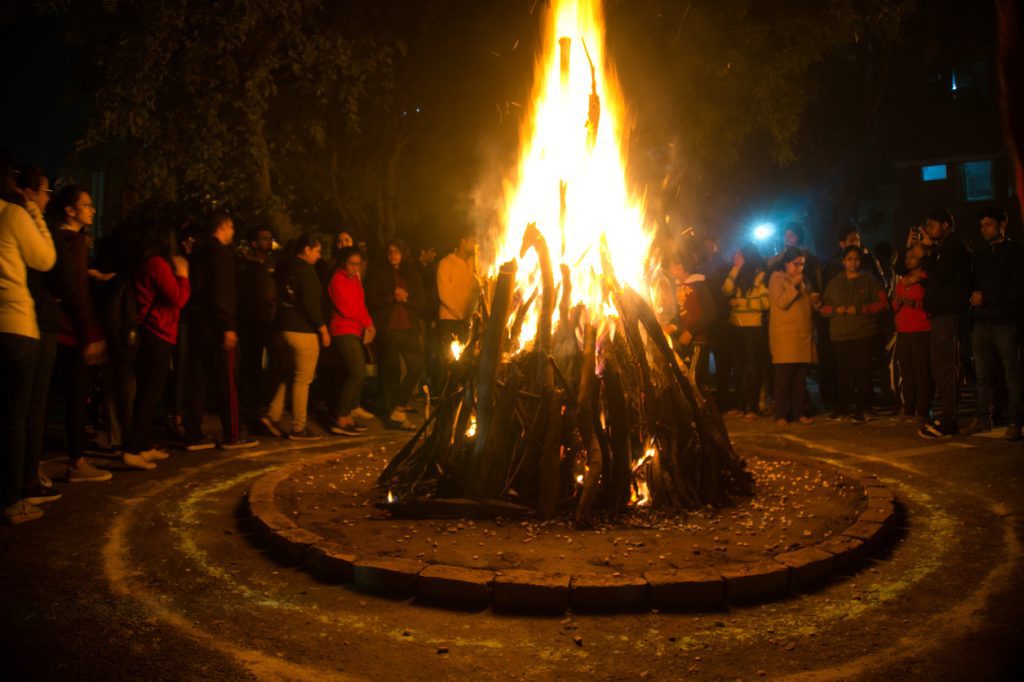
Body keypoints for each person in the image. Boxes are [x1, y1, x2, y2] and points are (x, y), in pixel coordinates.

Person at [0, 154, 57, 523]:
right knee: (14, 419)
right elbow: (45, 259)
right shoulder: (13, 214)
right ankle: (11, 500)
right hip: (17, 326)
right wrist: (34, 213)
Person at [45, 185, 111, 481]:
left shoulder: (54, 238)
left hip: (53, 327)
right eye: (86, 205)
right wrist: (92, 333)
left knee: (49, 399)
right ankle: (77, 462)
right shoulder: (74, 241)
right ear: (70, 210)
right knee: (75, 396)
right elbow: (75, 290)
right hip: (70, 331)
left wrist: (88, 274)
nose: (92, 210)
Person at [183, 211, 258, 450]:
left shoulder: (198, 252)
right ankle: (232, 433)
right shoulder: (220, 254)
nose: (233, 233)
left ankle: (193, 433)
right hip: (216, 326)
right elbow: (223, 291)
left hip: (197, 324)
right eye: (232, 228)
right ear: (223, 226)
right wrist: (228, 325)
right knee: (227, 381)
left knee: (198, 378)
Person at [121, 226, 190, 466]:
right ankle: (132, 450)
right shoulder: (157, 265)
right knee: (149, 394)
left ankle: (141, 444)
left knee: (148, 394)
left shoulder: (145, 263)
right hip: (156, 335)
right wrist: (183, 275)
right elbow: (177, 298)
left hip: (154, 334)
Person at [16, 165, 63, 507]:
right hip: (30, 322)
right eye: (46, 192)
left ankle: (20, 477)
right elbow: (47, 261)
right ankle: (24, 479)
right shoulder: (23, 219)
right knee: (28, 409)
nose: (49, 199)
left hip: (27, 319)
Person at [261, 234, 330, 440]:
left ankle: (272, 415)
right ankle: (298, 427)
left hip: (281, 329)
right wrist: (323, 329)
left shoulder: (285, 269)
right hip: (302, 331)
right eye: (317, 250)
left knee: (292, 375)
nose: (319, 256)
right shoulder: (306, 272)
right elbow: (310, 305)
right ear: (307, 249)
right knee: (303, 380)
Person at [969, 208, 1024, 440]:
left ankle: (1015, 421)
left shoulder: (1015, 252)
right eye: (982, 225)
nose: (984, 230)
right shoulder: (981, 255)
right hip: (982, 321)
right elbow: (973, 283)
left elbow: (1018, 288)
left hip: (1005, 321)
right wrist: (974, 296)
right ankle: (984, 418)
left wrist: (987, 296)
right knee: (982, 373)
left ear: (1003, 224)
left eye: (989, 225)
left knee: (1012, 372)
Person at [917, 208, 972, 439]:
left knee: (946, 368)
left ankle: (949, 421)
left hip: (949, 315)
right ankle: (946, 417)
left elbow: (939, 278)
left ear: (946, 225)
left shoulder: (954, 247)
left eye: (932, 225)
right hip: (940, 315)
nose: (928, 230)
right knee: (939, 367)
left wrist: (927, 253)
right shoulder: (946, 248)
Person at [820, 245, 888, 423]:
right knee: (843, 373)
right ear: (843, 261)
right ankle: (843, 407)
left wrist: (860, 309)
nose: (853, 263)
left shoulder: (870, 280)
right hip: (840, 335)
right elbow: (823, 309)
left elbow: (882, 303)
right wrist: (837, 309)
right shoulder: (834, 283)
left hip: (863, 334)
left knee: (863, 372)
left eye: (856, 259)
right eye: (849, 259)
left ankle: (862, 408)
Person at [367, 239, 425, 430]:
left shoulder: (411, 273)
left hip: (408, 328)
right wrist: (392, 297)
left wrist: (406, 298)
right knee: (390, 373)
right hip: (389, 330)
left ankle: (399, 408)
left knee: (415, 368)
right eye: (390, 252)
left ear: (403, 253)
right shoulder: (379, 273)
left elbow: (421, 302)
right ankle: (392, 415)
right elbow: (371, 301)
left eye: (397, 252)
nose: (393, 255)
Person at [327, 246, 375, 435]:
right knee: (356, 371)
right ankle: (342, 416)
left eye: (358, 264)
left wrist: (369, 325)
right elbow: (347, 309)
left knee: (355, 372)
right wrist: (365, 322)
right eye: (352, 264)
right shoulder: (337, 280)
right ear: (343, 262)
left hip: (355, 329)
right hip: (342, 329)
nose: (356, 268)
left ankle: (346, 415)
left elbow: (360, 304)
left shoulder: (355, 279)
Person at [768, 247, 819, 425]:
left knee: (799, 379)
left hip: (802, 336)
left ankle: (799, 413)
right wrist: (795, 286)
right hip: (784, 337)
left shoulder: (804, 281)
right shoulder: (777, 280)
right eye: (795, 264)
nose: (799, 268)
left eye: (802, 265)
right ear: (786, 263)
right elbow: (781, 302)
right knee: (784, 379)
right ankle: (782, 414)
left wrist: (815, 301)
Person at [721, 244, 769, 420]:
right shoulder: (738, 275)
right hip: (736, 326)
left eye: (739, 256)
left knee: (752, 367)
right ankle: (740, 405)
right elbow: (725, 290)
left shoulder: (760, 276)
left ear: (747, 257)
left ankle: (753, 407)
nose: (735, 258)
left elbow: (765, 303)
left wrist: (742, 303)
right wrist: (735, 269)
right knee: (739, 367)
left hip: (753, 329)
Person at [658, 249, 716, 387]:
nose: (669, 269)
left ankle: (700, 407)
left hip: (697, 341)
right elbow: (679, 314)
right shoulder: (676, 286)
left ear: (680, 267)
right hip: (683, 341)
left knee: (692, 380)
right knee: (685, 378)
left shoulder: (699, 285)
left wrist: (691, 331)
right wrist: (672, 326)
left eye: (671, 265)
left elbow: (711, 312)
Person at [236, 225, 277, 414]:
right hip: (252, 319)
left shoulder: (272, 263)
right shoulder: (245, 265)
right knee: (251, 360)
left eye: (269, 238)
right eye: (263, 238)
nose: (268, 242)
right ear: (254, 243)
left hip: (270, 318)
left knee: (276, 357)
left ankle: (263, 398)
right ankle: (250, 400)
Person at [892, 243, 932, 423]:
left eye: (912, 257)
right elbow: (893, 305)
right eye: (907, 257)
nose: (908, 261)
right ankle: (909, 407)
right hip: (903, 331)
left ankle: (923, 410)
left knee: (921, 371)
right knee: (907, 371)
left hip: (921, 330)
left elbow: (932, 304)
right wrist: (899, 303)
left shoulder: (926, 279)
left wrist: (915, 304)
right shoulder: (902, 280)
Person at [436, 232, 477, 346]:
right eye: (473, 240)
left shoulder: (475, 264)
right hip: (449, 321)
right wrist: (463, 315)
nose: (476, 245)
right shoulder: (446, 263)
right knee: (449, 360)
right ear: (463, 241)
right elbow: (444, 295)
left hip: (469, 322)